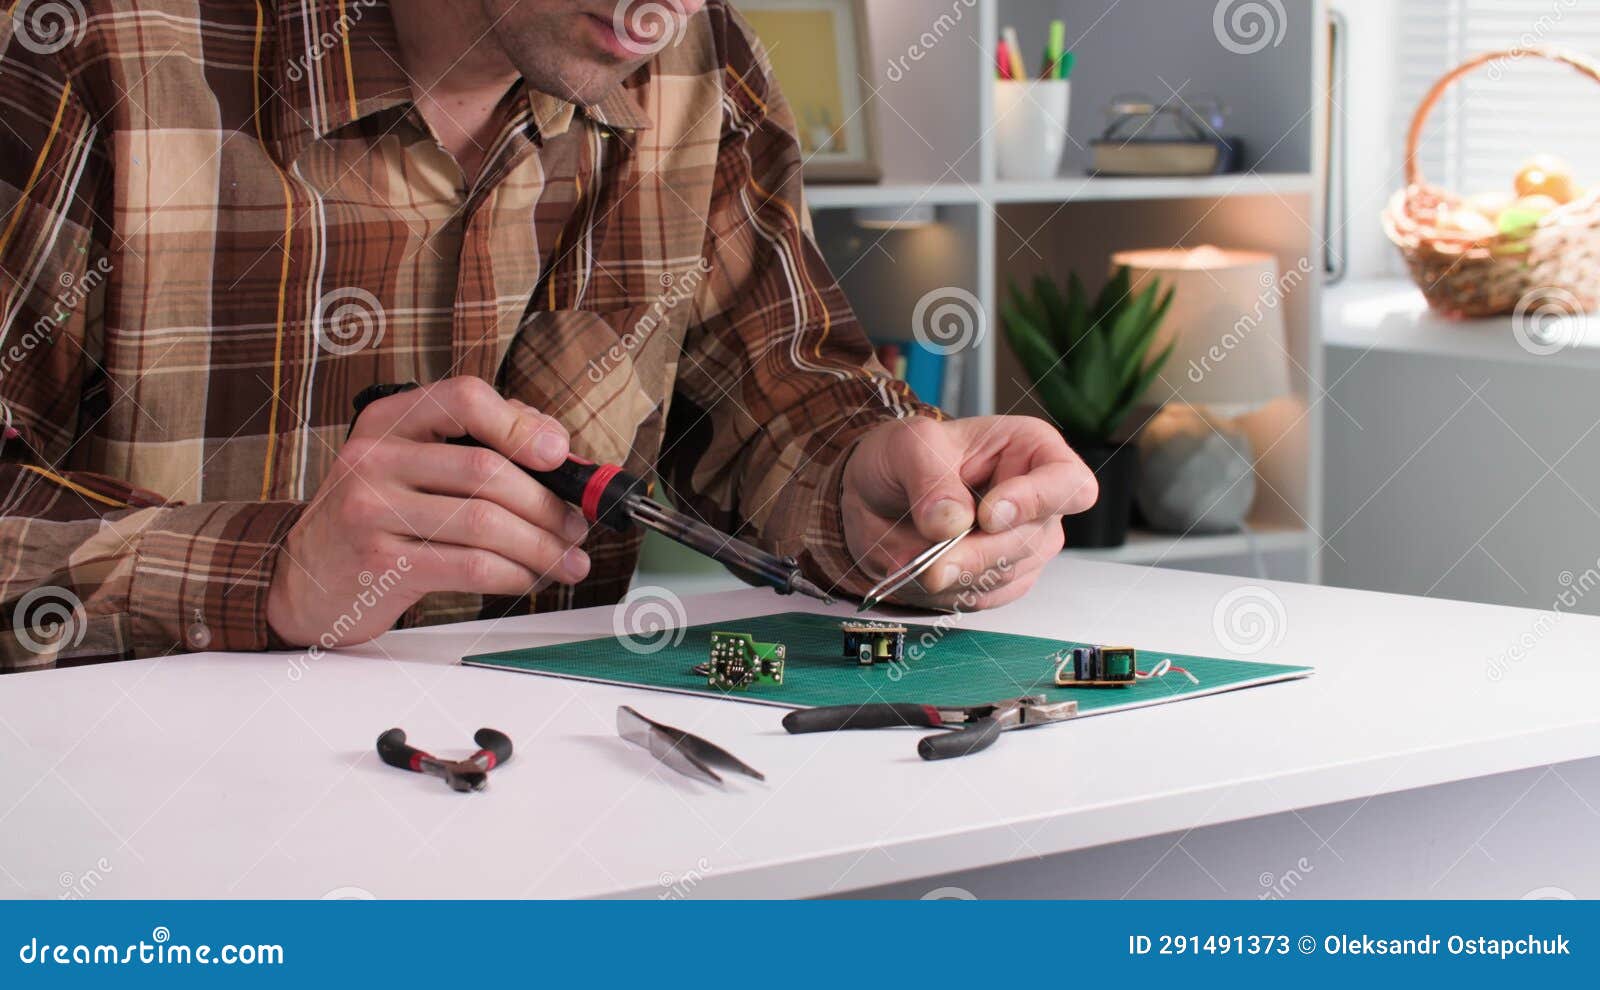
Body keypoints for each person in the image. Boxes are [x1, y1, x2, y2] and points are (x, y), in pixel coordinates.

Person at [0, 0, 1095, 672]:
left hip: (550, 818)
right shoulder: (84, 48)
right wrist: (272, 573)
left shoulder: (695, 69)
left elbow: (777, 404)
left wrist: (877, 493)